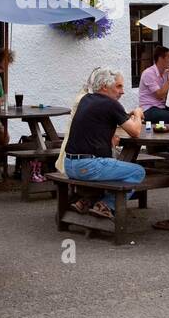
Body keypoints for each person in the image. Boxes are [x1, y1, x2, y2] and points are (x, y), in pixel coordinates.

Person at [60, 66, 145, 221]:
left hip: (69, 164)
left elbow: (102, 121)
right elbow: (135, 132)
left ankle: (85, 201)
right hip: (87, 166)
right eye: (118, 86)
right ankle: (106, 205)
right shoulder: (110, 104)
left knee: (113, 167)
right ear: (105, 87)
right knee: (137, 172)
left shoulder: (86, 99)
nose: (122, 91)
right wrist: (138, 114)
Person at [137, 46, 169, 125]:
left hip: (160, 107)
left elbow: (165, 96)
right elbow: (160, 95)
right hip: (148, 109)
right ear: (160, 59)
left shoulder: (165, 73)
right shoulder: (148, 73)